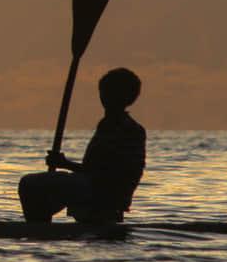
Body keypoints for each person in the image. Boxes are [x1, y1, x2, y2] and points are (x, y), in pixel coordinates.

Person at [18, 67, 146, 225]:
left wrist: (64, 164)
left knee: (29, 184)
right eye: (104, 91)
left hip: (102, 193)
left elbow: (103, 173)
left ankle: (38, 227)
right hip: (102, 191)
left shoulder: (121, 127)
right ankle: (41, 222)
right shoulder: (114, 124)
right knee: (40, 188)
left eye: (109, 92)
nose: (104, 96)